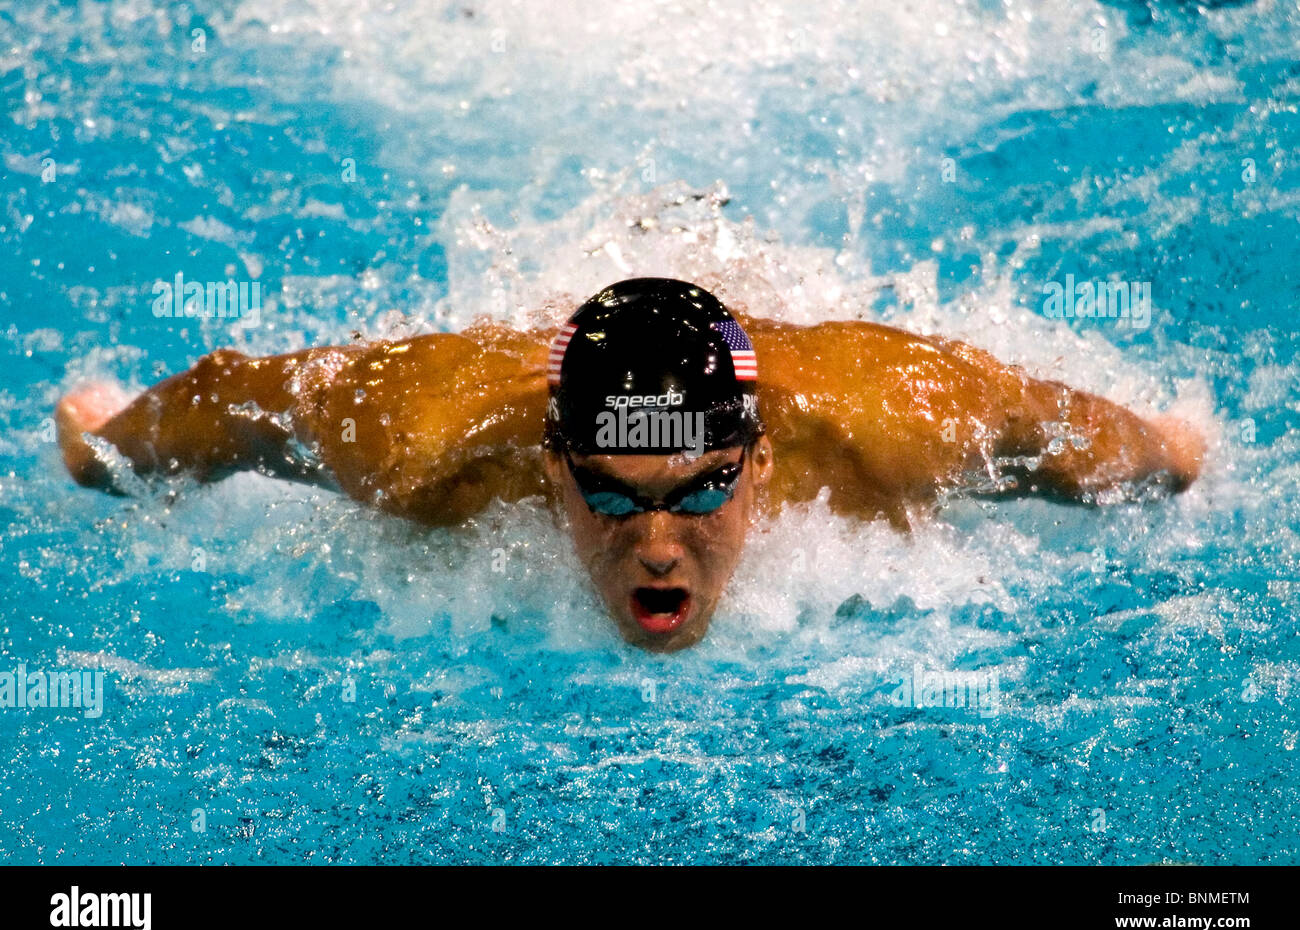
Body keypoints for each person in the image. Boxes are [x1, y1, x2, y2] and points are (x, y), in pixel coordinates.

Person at [56, 277, 1205, 651]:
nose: (656, 545)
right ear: (549, 464)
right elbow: (233, 399)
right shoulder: (424, 448)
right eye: (609, 493)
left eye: (699, 490)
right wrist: (103, 450)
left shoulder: (891, 424)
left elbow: (1089, 437)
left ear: (756, 459)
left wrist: (1173, 453)